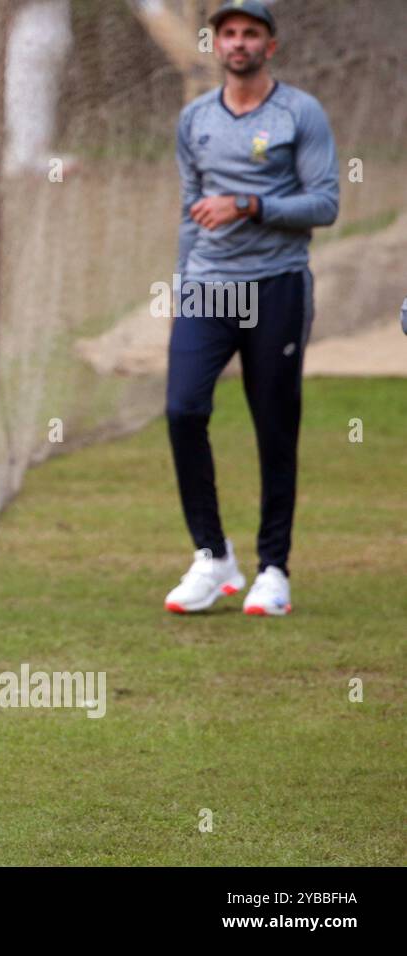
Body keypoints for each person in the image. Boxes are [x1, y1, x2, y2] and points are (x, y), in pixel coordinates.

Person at [162, 0, 338, 616]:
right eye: (228, 33)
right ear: (215, 44)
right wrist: (185, 282)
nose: (239, 43)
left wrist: (250, 205)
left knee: (274, 426)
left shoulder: (300, 113)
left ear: (271, 44)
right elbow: (190, 206)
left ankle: (273, 569)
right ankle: (213, 557)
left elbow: (324, 204)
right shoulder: (195, 119)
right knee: (183, 410)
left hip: (276, 286)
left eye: (251, 33)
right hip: (210, 288)